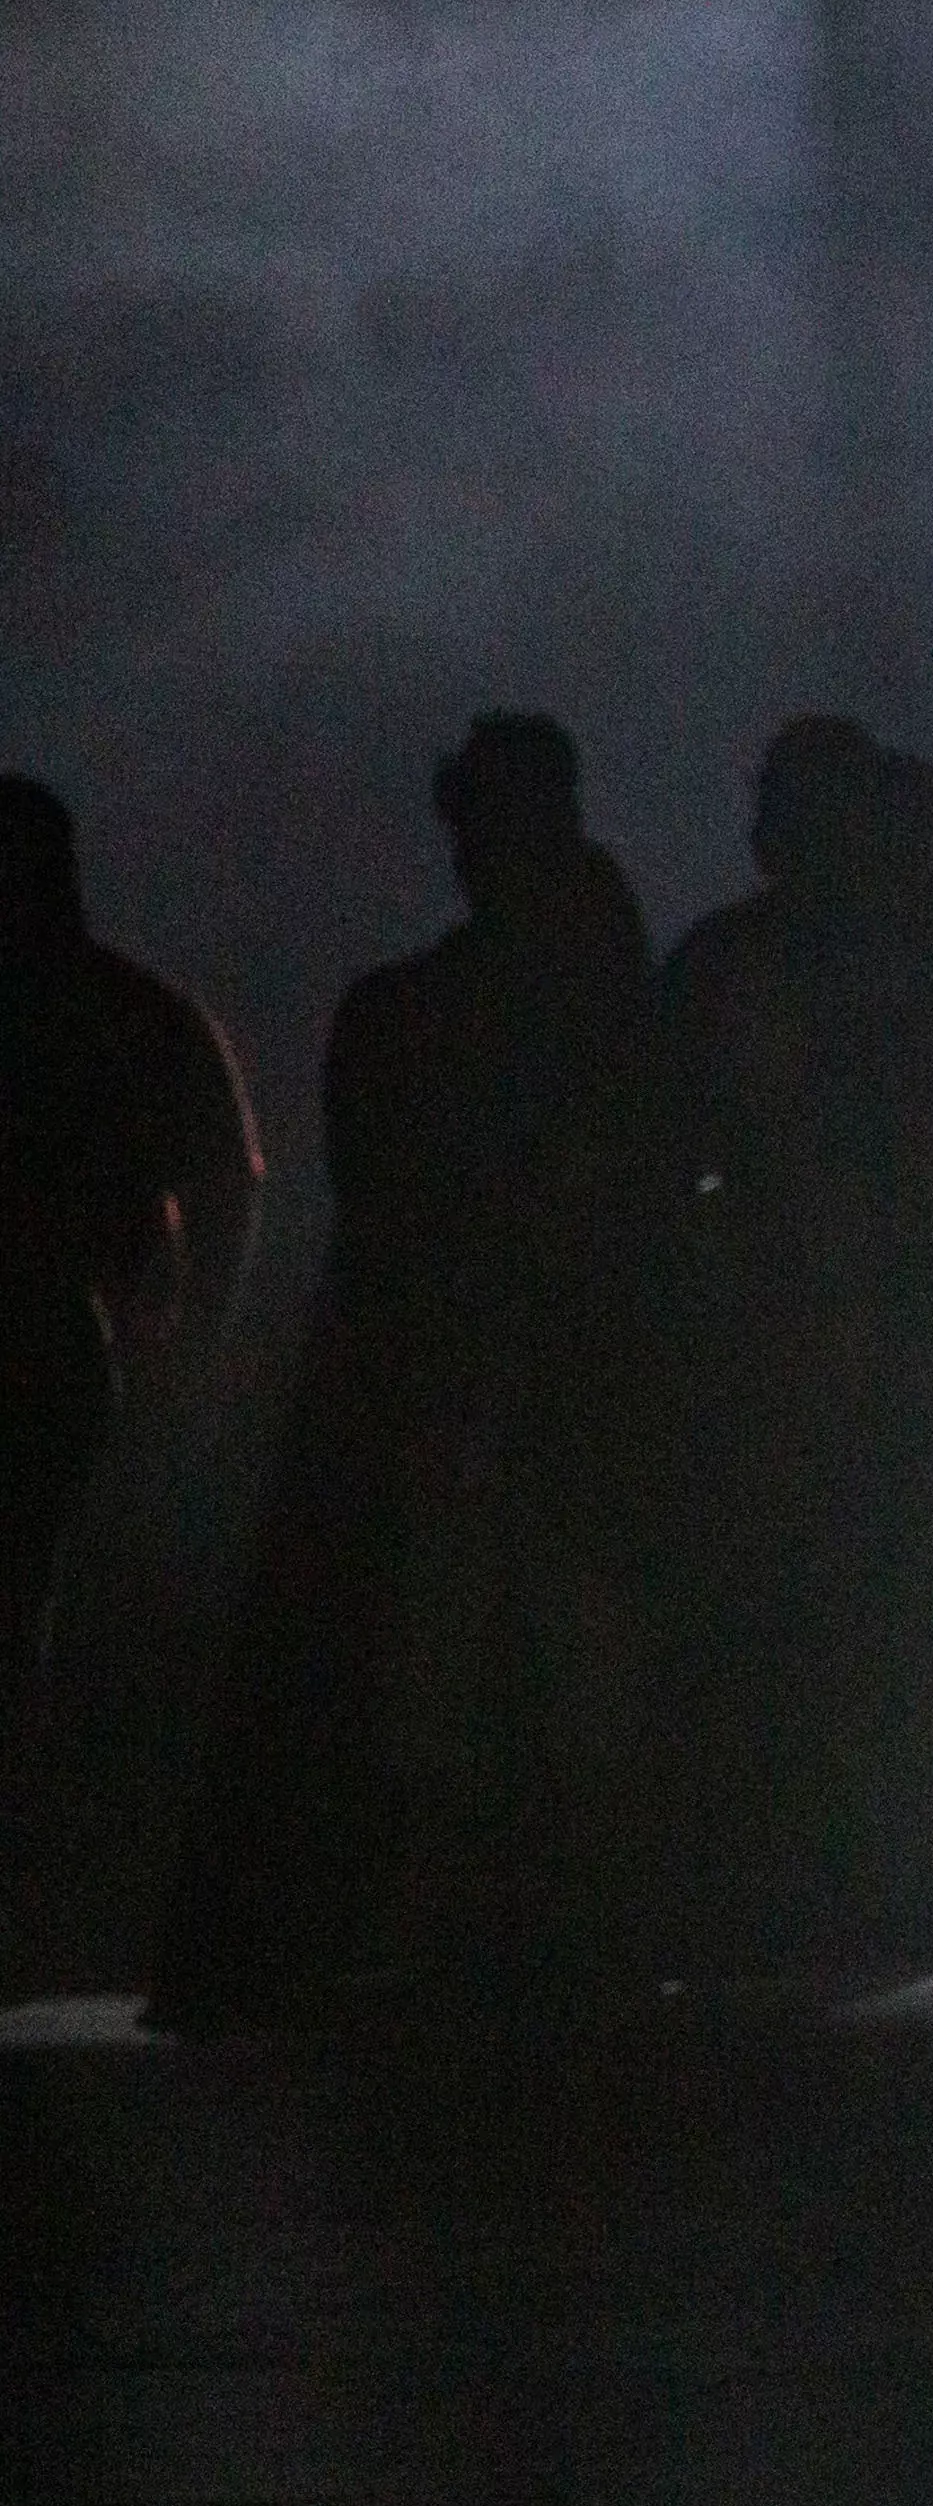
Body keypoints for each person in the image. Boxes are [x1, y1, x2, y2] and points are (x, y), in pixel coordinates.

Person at [150, 717, 661, 2026]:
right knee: (502, 1636)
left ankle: (509, 1899)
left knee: (496, 1636)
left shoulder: (514, 996)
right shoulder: (576, 986)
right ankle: (538, 1900)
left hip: (515, 1369)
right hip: (518, 1372)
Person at [652, 718, 933, 1958]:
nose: (761, 825)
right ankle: (867, 1870)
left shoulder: (910, 945)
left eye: (782, 800)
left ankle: (897, 1871)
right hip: (850, 1326)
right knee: (859, 1606)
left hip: (896, 1325)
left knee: (908, 1602)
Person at [2, 776, 259, 1785]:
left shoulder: (126, 1013)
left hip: (63, 1342)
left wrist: (194, 1344)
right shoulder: (134, 1010)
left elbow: (221, 1188)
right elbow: (224, 1187)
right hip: (72, 1341)